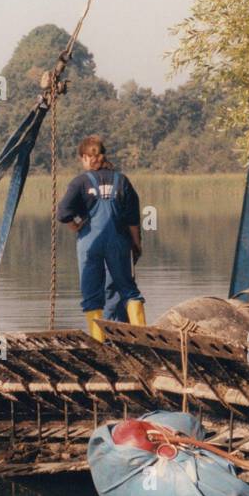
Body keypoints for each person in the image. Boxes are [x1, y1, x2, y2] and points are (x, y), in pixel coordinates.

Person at [55, 135, 145, 341]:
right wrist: (136, 245)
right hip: (119, 242)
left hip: (89, 244)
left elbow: (62, 213)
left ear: (86, 157)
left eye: (82, 158)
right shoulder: (122, 180)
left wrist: (75, 226)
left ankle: (98, 341)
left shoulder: (79, 182)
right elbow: (133, 219)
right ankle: (144, 339)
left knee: (91, 295)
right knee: (129, 290)